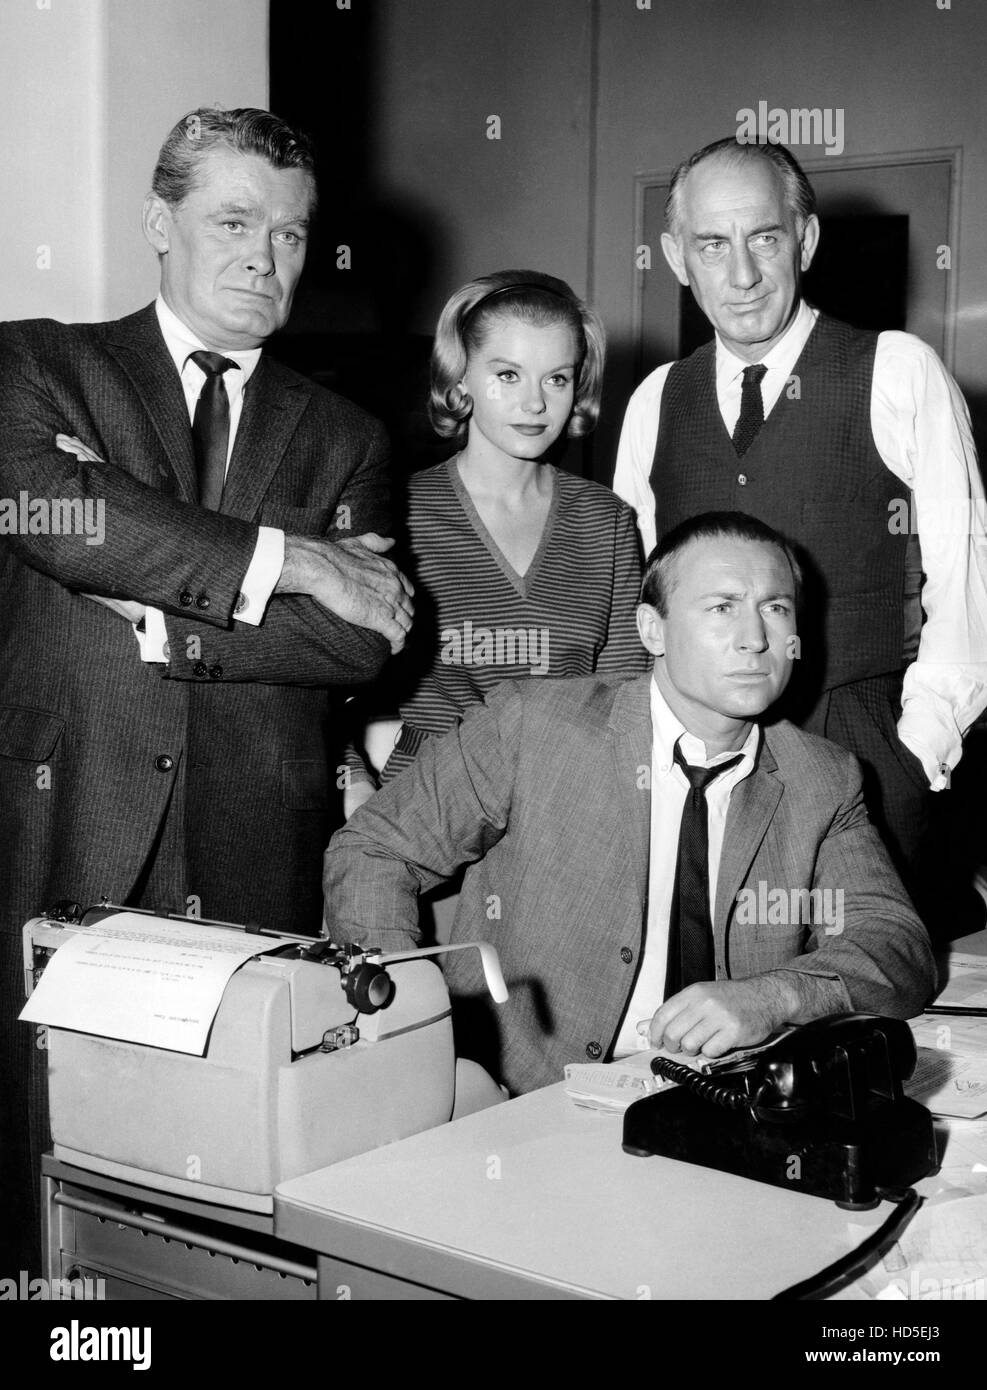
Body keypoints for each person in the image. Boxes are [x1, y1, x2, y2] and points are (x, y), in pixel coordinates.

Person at [0, 106, 413, 1273]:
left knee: (232, 1170)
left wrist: (156, 615)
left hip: (251, 835)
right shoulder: (36, 361)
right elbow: (53, 511)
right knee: (41, 1143)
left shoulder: (346, 432)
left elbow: (363, 648)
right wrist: (297, 562)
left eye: (290, 234)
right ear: (158, 222)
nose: (263, 257)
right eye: (233, 220)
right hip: (60, 806)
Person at [325, 513, 935, 1098]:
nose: (755, 640)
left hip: (719, 1105)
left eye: (774, 609)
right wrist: (413, 1040)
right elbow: (372, 849)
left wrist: (775, 997)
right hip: (518, 1103)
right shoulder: (532, 728)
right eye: (722, 608)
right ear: (653, 630)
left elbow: (897, 947)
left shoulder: (821, 780)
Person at [613, 137, 987, 942]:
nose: (742, 275)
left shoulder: (896, 370)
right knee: (728, 1001)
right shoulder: (655, 401)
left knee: (878, 1011)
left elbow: (968, 577)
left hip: (867, 738)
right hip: (711, 760)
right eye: (713, 245)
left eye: (766, 238)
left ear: (807, 240)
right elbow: (637, 612)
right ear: (677, 257)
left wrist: (916, 750)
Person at [344, 270, 648, 814]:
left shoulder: (608, 522)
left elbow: (628, 700)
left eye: (557, 378)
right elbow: (321, 675)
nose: (535, 403)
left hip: (564, 809)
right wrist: (352, 780)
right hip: (421, 812)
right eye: (508, 375)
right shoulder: (397, 514)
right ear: (460, 381)